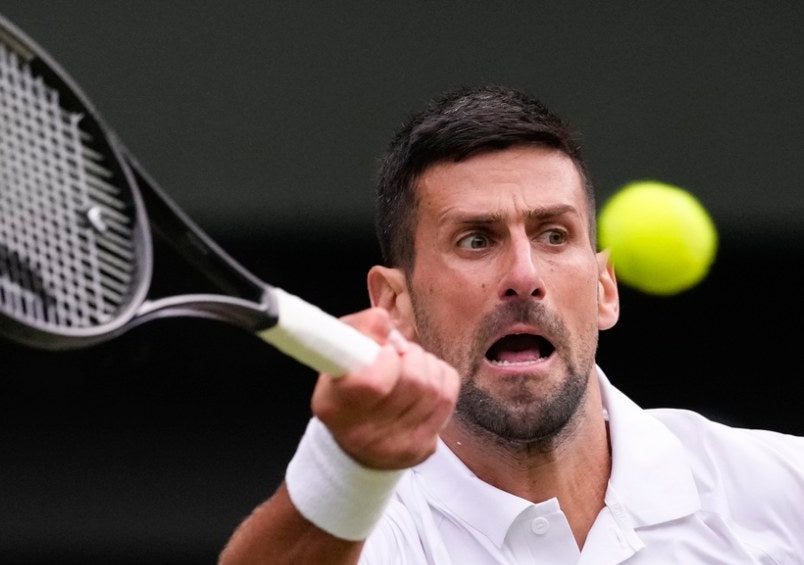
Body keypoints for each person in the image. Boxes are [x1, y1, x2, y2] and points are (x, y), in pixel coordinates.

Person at [218, 85, 804, 564]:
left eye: (554, 235)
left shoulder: (782, 492)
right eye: (476, 240)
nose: (524, 275)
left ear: (604, 288)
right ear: (394, 304)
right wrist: (347, 463)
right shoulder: (378, 534)